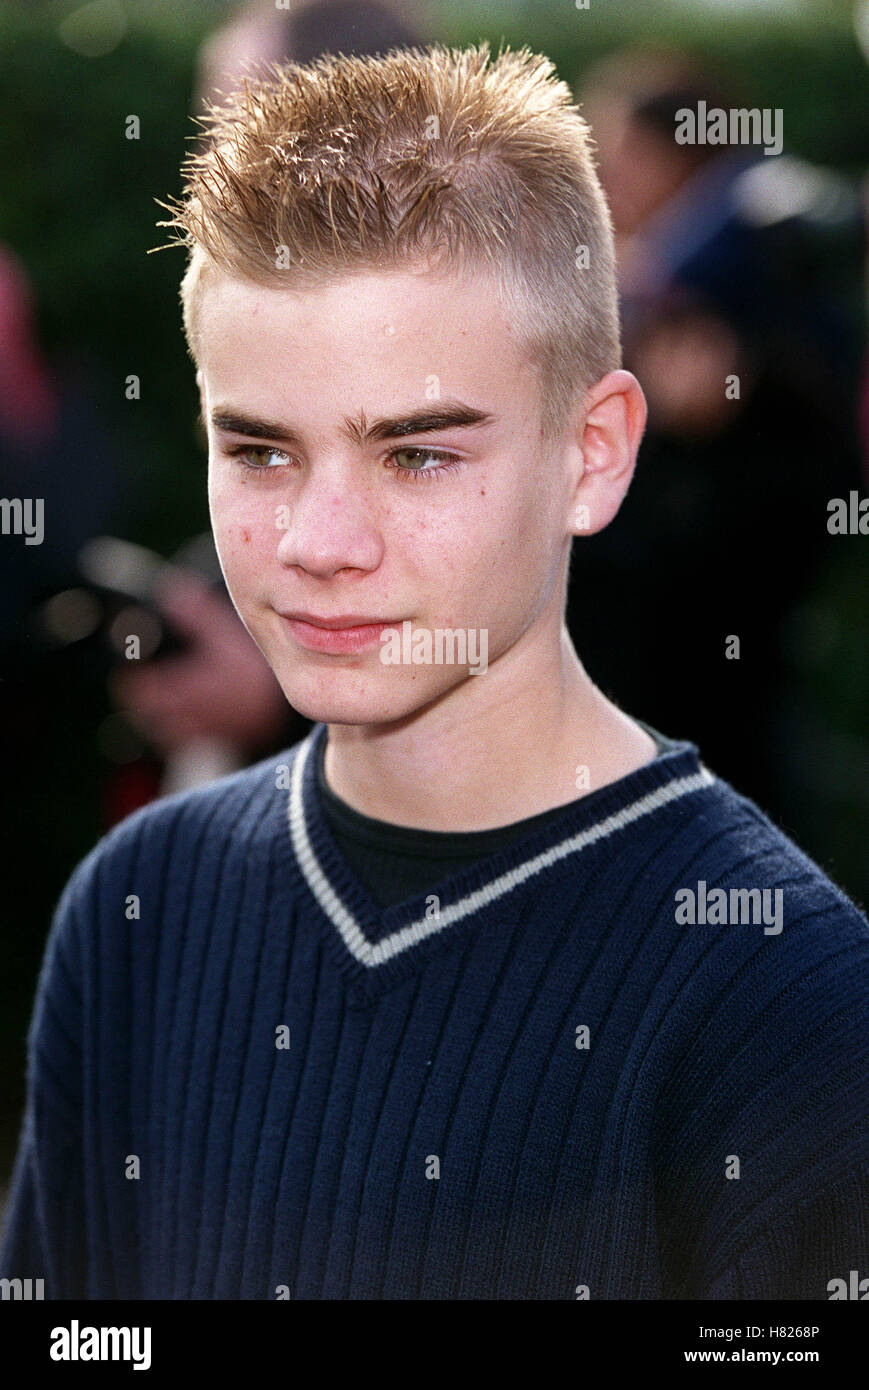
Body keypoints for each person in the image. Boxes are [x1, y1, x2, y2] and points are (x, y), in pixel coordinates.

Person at [1, 42, 867, 1300]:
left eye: (414, 454)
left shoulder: (788, 1005)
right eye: (256, 449)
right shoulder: (137, 906)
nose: (317, 544)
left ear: (592, 454)